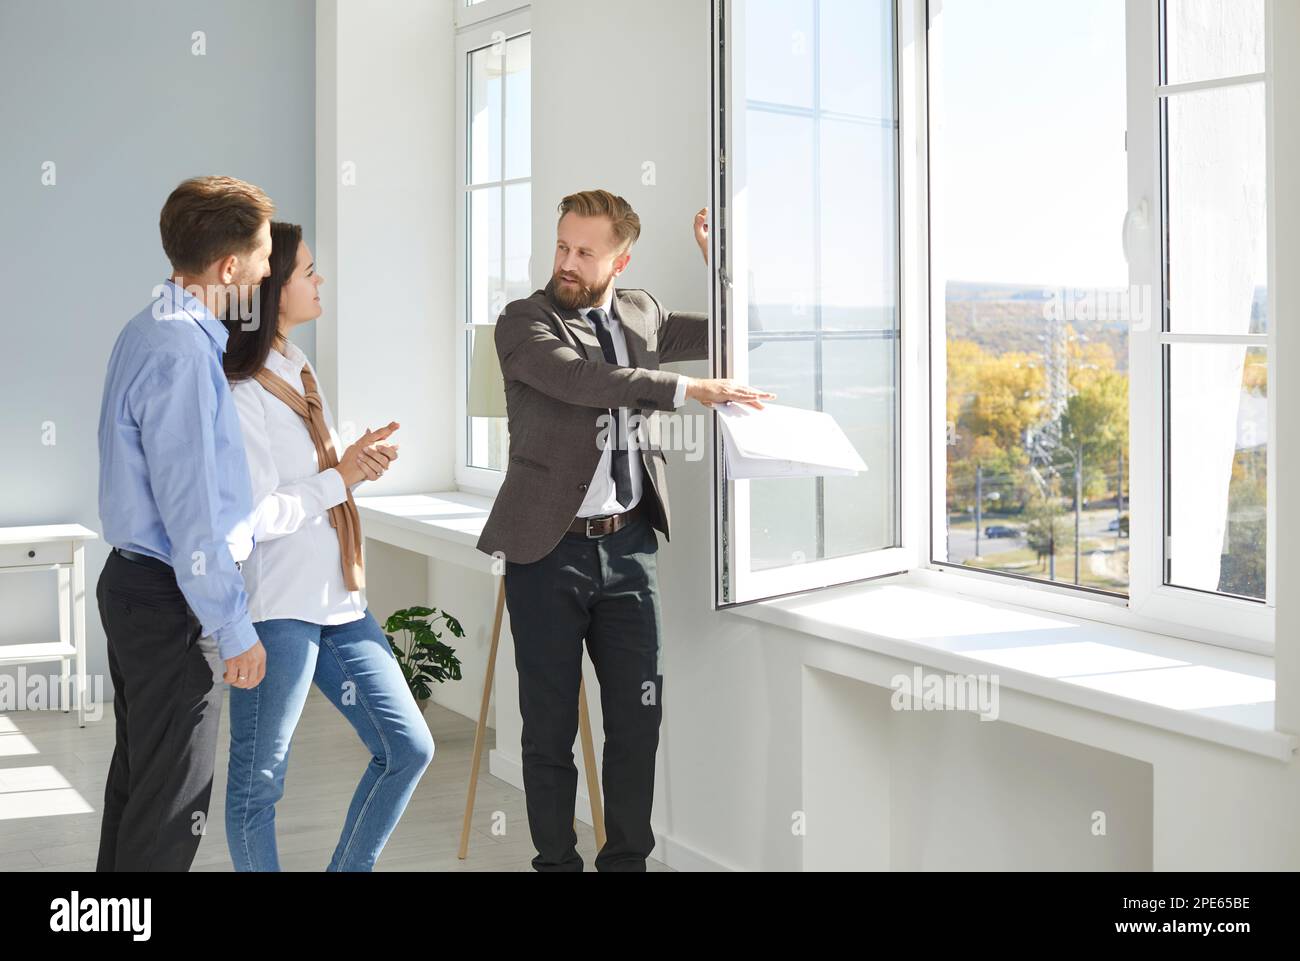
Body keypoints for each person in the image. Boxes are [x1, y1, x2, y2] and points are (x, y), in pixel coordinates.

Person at [476, 189, 775, 871]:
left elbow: (740, 335)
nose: (568, 262)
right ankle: (556, 862)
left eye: (585, 251)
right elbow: (584, 381)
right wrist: (686, 391)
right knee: (548, 730)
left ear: (621, 258)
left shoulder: (641, 310)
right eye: (562, 246)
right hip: (546, 553)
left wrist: (720, 262)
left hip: (630, 548)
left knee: (638, 722)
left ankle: (626, 863)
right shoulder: (524, 321)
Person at [221, 221, 435, 871]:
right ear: (272, 289)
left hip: (339, 597)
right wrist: (336, 477)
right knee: (259, 783)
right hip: (279, 604)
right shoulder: (240, 387)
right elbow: (255, 515)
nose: (320, 281)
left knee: (408, 747)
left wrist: (349, 461)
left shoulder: (299, 366)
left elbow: (312, 481)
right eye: (308, 272)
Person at [96, 175, 274, 871]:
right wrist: (234, 628)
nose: (266, 269)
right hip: (173, 599)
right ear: (228, 267)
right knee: (173, 810)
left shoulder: (151, 330)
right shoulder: (182, 352)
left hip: (140, 587)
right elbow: (191, 516)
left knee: (141, 788)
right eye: (261, 255)